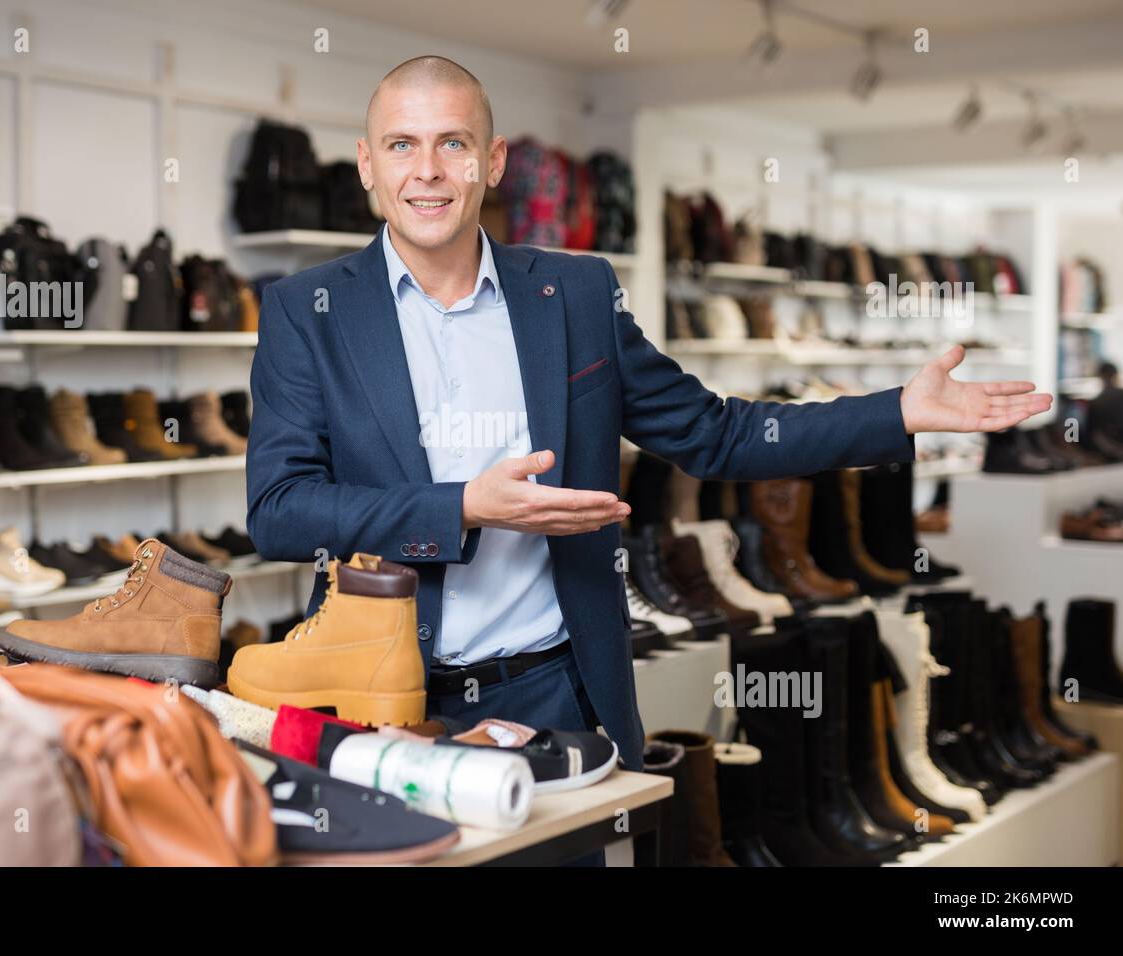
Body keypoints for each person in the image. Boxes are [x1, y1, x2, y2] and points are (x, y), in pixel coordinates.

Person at [244, 55, 1052, 780]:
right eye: (401, 145)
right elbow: (279, 513)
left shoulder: (577, 296)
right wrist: (459, 508)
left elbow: (715, 432)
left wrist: (896, 414)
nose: (428, 171)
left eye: (453, 143)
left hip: (555, 695)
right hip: (379, 698)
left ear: (492, 163)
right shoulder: (306, 312)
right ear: (366, 164)